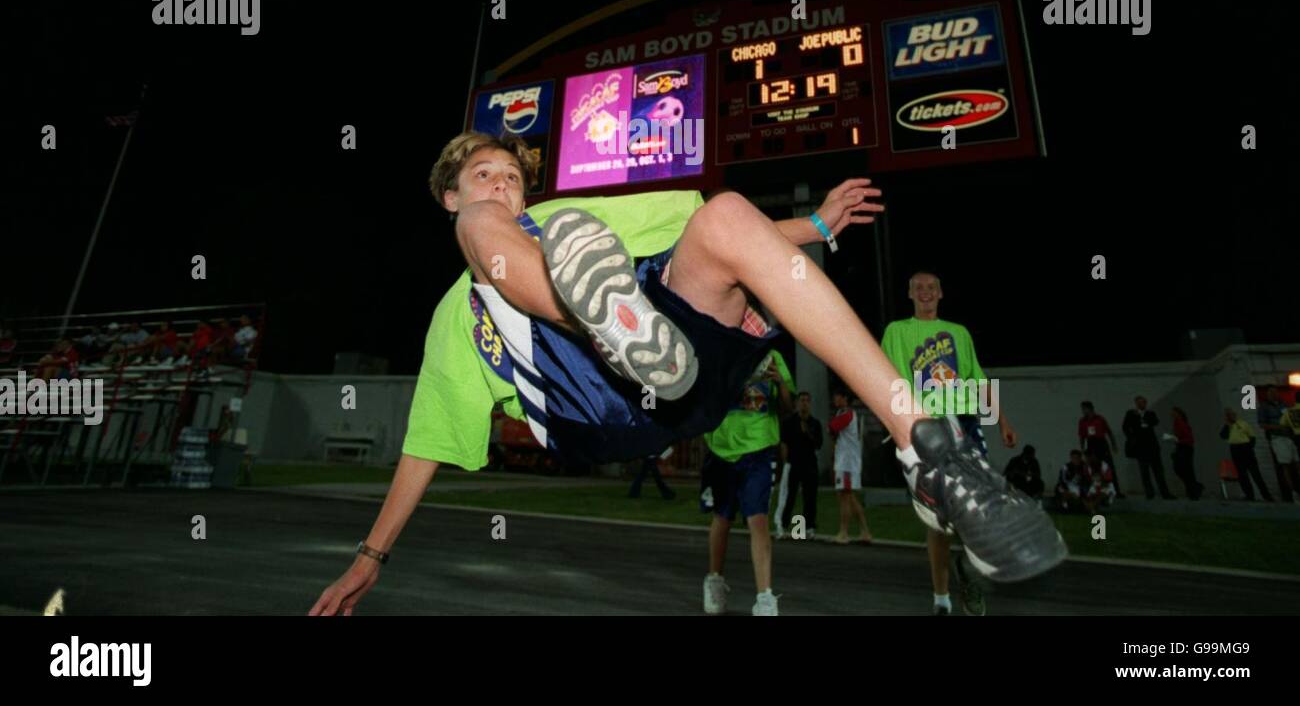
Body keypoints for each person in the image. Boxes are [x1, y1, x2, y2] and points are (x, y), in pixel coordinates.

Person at [309, 131, 1065, 615]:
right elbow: (425, 443)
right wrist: (370, 555)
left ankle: (932, 455)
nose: (503, 185)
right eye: (484, 174)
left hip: (688, 370)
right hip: (593, 406)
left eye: (512, 176)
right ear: (450, 191)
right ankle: (600, 323)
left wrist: (823, 227)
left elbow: (720, 231)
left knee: (728, 212)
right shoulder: (454, 313)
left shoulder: (570, 215)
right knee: (489, 240)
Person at [881, 271, 1018, 617]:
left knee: (979, 510)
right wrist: (896, 424)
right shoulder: (897, 332)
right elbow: (883, 379)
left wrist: (1001, 420)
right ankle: (941, 599)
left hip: (965, 425)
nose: (925, 292)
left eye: (931, 287)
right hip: (924, 430)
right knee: (938, 520)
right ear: (909, 294)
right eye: (919, 288)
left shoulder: (959, 333)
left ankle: (969, 572)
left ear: (941, 293)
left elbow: (978, 379)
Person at [701, 349, 795, 616]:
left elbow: (787, 409)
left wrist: (779, 383)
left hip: (759, 448)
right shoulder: (719, 345)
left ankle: (764, 596)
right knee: (723, 518)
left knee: (758, 519)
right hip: (723, 447)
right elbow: (702, 399)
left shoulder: (773, 355)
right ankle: (714, 579)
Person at [828, 387, 872, 545]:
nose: (834, 399)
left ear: (844, 398)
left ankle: (844, 532)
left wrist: (831, 427)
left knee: (845, 497)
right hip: (844, 460)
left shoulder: (847, 414)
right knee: (850, 497)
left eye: (837, 396)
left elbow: (832, 427)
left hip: (847, 462)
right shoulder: (843, 413)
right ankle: (865, 531)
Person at [778, 391, 823, 539]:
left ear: (810, 404)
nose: (804, 403)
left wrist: (807, 432)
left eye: (807, 401)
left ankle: (808, 527)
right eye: (801, 400)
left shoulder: (815, 424)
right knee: (789, 496)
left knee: (810, 496)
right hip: (793, 463)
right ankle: (783, 526)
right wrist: (786, 462)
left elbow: (818, 444)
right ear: (797, 403)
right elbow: (783, 443)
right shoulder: (789, 422)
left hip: (809, 464)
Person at [1122, 396, 1174, 500]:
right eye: (1139, 403)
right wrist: (1132, 437)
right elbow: (1125, 427)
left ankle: (1165, 493)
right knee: (1144, 472)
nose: (1141, 405)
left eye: (1143, 403)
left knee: (1158, 471)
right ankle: (1149, 493)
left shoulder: (1150, 414)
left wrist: (1145, 419)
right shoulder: (1131, 414)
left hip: (1152, 446)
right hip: (1140, 447)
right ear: (1136, 404)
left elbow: (1155, 422)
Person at [1220, 409, 1273, 502]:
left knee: (1255, 474)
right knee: (1242, 474)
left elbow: (1252, 437)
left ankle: (1267, 496)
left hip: (1245, 448)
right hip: (1235, 449)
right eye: (1228, 415)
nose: (1230, 416)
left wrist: (1249, 447)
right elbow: (1223, 436)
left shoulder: (1243, 423)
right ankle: (1249, 495)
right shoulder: (1228, 426)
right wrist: (1227, 425)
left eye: (1232, 414)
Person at [1258, 386, 1297, 502]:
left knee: (1296, 463)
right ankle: (1291, 493)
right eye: (1271, 392)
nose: (1274, 394)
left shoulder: (1283, 405)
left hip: (1290, 437)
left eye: (1275, 392)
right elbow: (1262, 424)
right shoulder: (1264, 407)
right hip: (1277, 438)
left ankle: (1297, 487)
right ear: (1267, 394)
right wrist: (1279, 427)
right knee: (1284, 465)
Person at [1078, 401, 1123, 497]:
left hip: (1101, 444)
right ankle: (1095, 491)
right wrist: (1082, 449)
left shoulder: (1100, 419)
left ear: (1090, 408)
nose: (1083, 411)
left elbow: (1109, 432)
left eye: (1084, 409)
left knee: (1109, 467)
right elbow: (1082, 436)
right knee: (1093, 468)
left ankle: (1116, 491)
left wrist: (1113, 445)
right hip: (1091, 444)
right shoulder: (1082, 421)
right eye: (1082, 409)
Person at [1165, 406, 1204, 500]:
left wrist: (1177, 440)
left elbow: (1189, 439)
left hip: (1185, 448)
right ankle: (1194, 488)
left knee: (1184, 470)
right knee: (1184, 470)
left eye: (1173, 413)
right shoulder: (1177, 423)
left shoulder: (1181, 423)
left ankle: (1194, 489)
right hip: (1182, 447)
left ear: (1178, 414)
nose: (1171, 415)